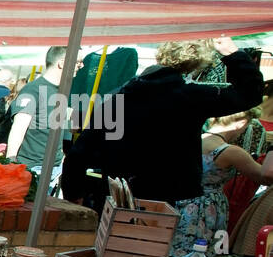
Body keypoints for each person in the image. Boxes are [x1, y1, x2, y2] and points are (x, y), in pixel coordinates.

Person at [63, 38, 263, 209]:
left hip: (118, 196)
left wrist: (73, 193)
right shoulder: (191, 97)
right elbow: (251, 93)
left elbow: (81, 150)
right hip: (164, 198)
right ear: (195, 65)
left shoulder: (119, 97)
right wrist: (232, 53)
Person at [171, 109, 273, 257]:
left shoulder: (189, 141)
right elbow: (264, 176)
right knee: (202, 254)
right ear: (241, 123)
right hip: (207, 208)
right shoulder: (230, 152)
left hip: (180, 201)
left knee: (176, 249)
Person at [6, 46, 66, 169]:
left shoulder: (60, 90)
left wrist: (60, 154)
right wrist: (10, 161)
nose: (81, 66)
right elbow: (19, 127)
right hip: (33, 166)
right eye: (78, 62)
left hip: (54, 165)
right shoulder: (33, 89)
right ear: (61, 63)